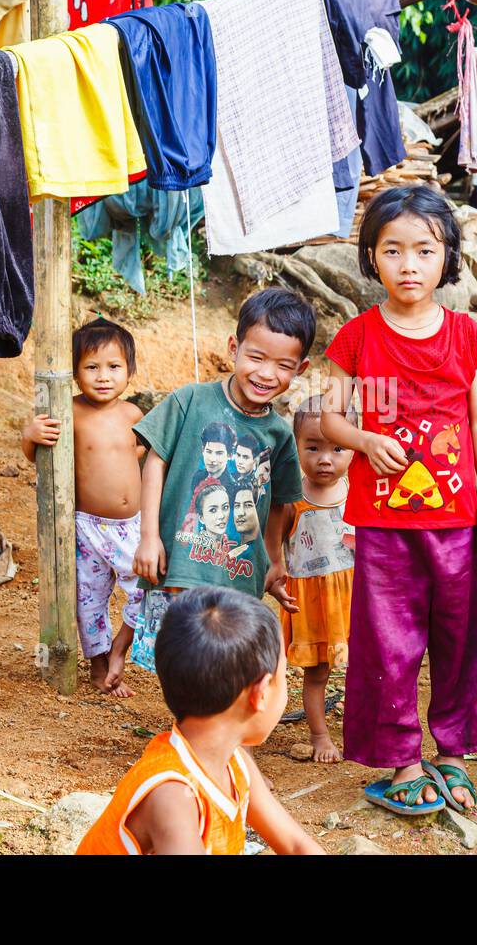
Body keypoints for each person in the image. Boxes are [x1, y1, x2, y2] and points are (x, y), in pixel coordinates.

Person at [320, 185, 477, 817]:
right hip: (383, 522)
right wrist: (366, 440)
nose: (408, 265)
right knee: (389, 641)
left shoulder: (466, 336)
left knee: (461, 634)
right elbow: (328, 419)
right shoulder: (357, 336)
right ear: (371, 257)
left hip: (457, 518)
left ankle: (453, 752)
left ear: (447, 255)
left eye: (424, 251)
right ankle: (401, 758)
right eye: (392, 250)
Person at [130, 288, 314, 672]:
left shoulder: (279, 435)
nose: (266, 374)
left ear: (302, 369)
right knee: (183, 658)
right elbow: (154, 462)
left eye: (284, 365)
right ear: (234, 347)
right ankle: (189, 728)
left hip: (239, 573)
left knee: (226, 663)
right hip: (182, 561)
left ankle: (219, 730)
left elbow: (281, 501)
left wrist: (274, 560)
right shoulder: (190, 400)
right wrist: (149, 537)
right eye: (256, 357)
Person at [76, 586, 324, 855]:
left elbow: (297, 846)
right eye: (283, 678)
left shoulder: (236, 762)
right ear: (261, 693)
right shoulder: (174, 796)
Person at [22, 317, 143, 697]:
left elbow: (145, 458)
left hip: (131, 527)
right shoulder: (69, 411)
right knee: (87, 598)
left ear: (130, 371)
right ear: (75, 372)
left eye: (113, 367)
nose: (103, 376)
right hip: (87, 525)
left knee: (148, 588)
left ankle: (123, 647)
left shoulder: (134, 416)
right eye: (91, 367)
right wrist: (30, 436)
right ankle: (99, 663)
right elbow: (37, 456)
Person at [280, 396, 356, 764]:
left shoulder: (358, 492)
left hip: (354, 599)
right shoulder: (292, 497)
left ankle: (362, 730)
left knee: (366, 669)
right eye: (312, 447)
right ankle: (319, 735)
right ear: (296, 446)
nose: (325, 458)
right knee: (316, 674)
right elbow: (274, 544)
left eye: (338, 448)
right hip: (310, 602)